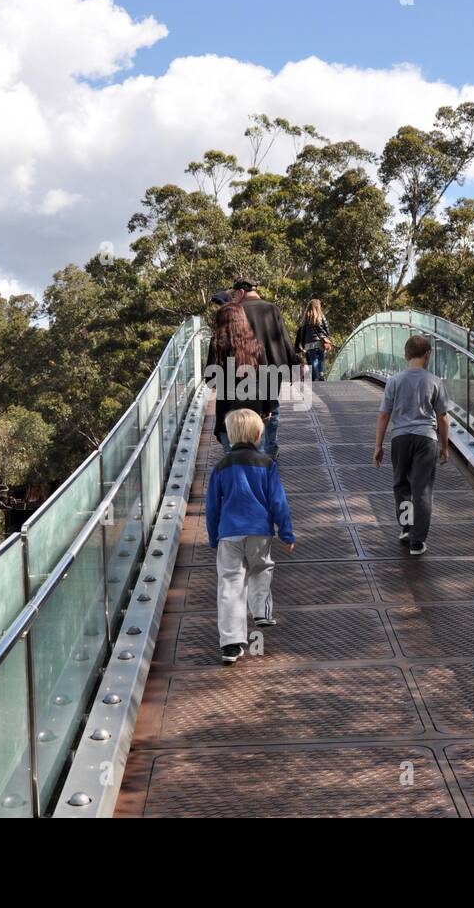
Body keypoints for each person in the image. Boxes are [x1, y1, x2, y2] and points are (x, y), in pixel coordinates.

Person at [206, 408, 297, 665]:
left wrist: (213, 537)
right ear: (259, 434)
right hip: (260, 531)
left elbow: (212, 506)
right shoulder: (267, 464)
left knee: (230, 585)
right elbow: (278, 501)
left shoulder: (221, 467)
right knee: (261, 568)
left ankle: (231, 644)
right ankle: (260, 612)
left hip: (229, 533)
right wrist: (286, 533)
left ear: (231, 436)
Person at [373, 334, 451, 556]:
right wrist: (445, 447)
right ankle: (417, 541)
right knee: (422, 489)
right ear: (428, 355)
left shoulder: (394, 381)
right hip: (426, 439)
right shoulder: (435, 381)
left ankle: (406, 529)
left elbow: (383, 415)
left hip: (400, 438)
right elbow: (443, 416)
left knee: (402, 485)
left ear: (405, 355)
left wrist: (378, 446)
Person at [232, 274, 297, 458]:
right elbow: (284, 338)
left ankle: (255, 452)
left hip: (245, 369)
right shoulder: (271, 308)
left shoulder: (236, 310)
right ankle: (270, 450)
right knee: (272, 409)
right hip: (273, 367)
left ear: (241, 292)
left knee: (250, 411)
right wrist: (293, 366)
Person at [205, 302, 275, 454]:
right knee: (257, 457)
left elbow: (210, 379)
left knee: (232, 460)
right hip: (254, 408)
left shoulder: (216, 344)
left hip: (227, 409)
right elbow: (266, 378)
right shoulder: (255, 343)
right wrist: (268, 407)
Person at [295, 299, 332, 382]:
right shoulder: (321, 316)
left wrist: (303, 343)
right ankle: (321, 374)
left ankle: (315, 377)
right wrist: (327, 338)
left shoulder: (306, 317)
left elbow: (303, 331)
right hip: (320, 342)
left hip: (309, 343)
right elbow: (326, 328)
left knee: (313, 360)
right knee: (321, 359)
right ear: (318, 306)